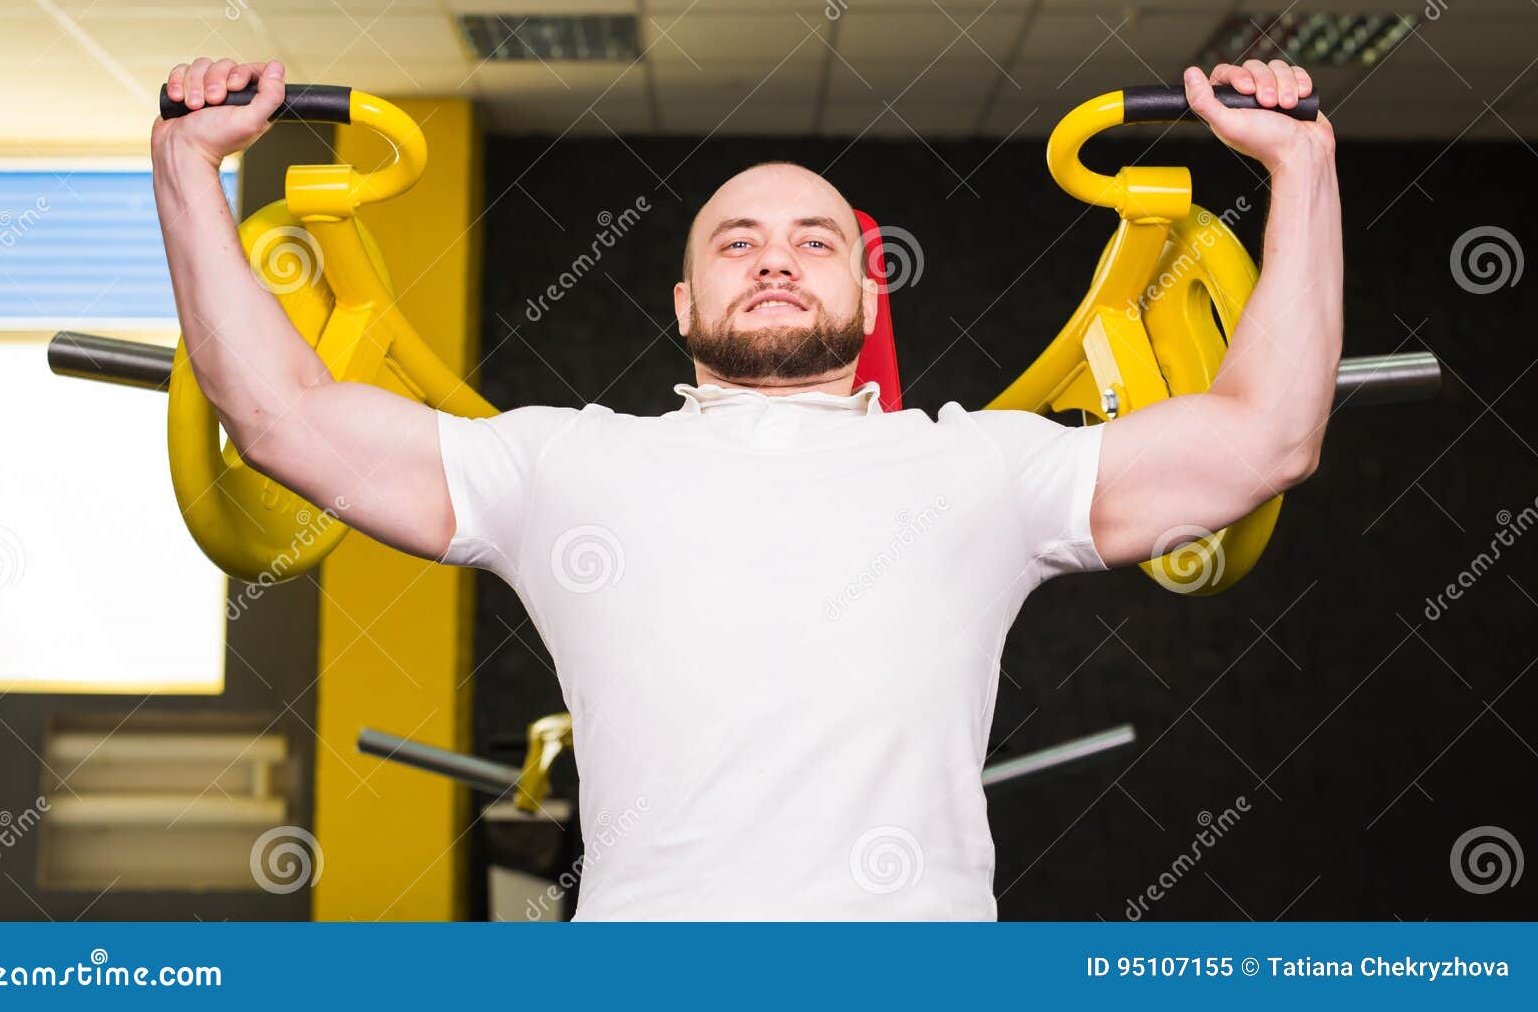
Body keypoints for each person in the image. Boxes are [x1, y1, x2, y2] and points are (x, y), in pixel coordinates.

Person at [151, 56, 1340, 920]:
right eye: (736, 240)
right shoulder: (560, 462)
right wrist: (188, 168)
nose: (776, 254)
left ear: (868, 304)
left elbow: (1262, 436)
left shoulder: (984, 463)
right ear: (683, 307)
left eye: (817, 240)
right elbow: (281, 418)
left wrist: (1302, 164)